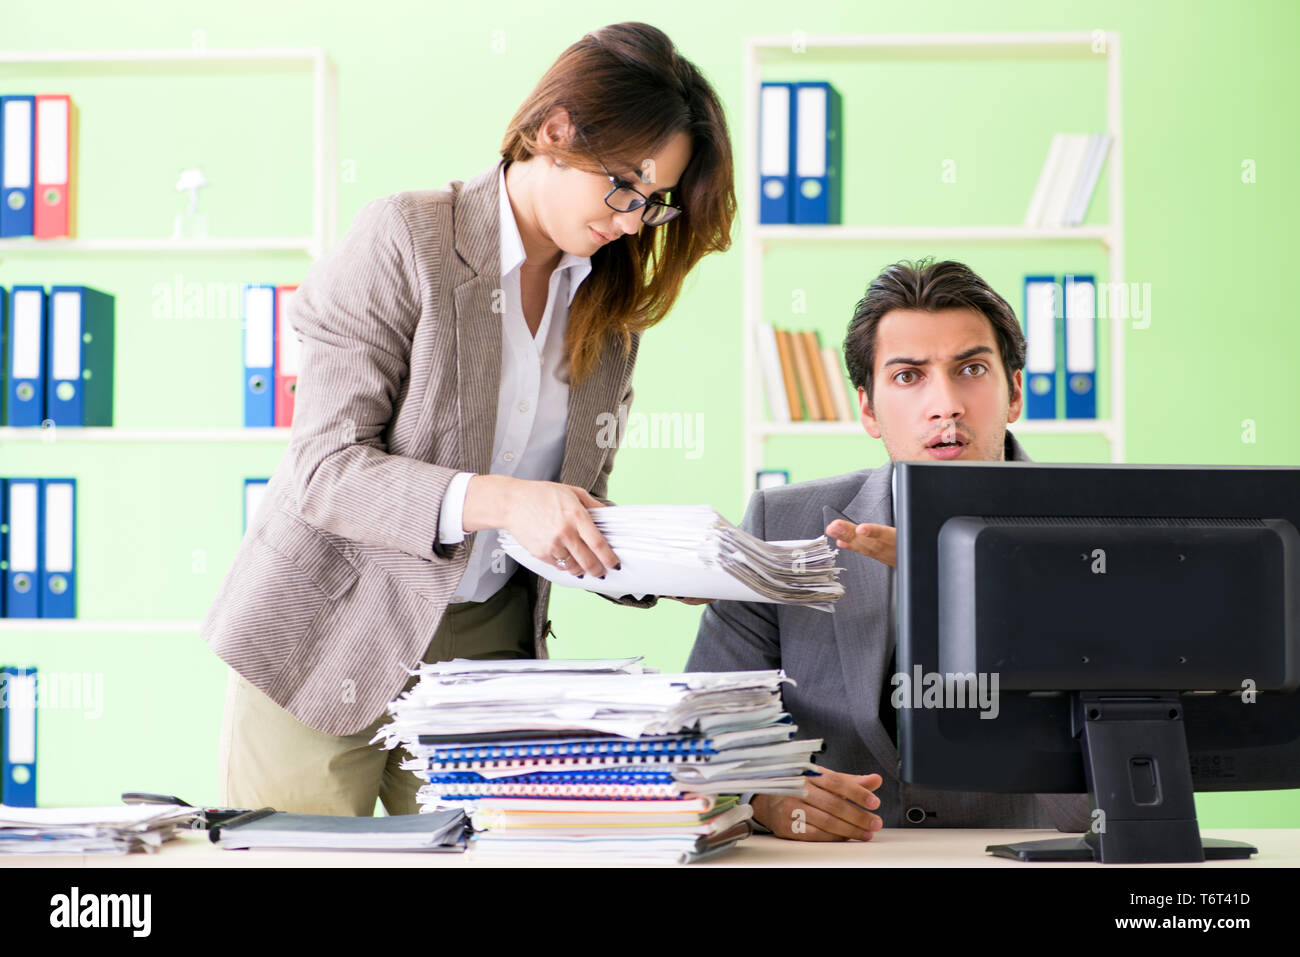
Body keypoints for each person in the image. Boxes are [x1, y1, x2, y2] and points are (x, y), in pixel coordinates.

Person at [203, 22, 735, 816]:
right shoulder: (407, 239)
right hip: (328, 631)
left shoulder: (609, 313)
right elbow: (326, 470)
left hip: (488, 655)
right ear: (555, 132)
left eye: (652, 204)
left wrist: (675, 563)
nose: (632, 221)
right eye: (626, 187)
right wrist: (503, 498)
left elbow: (561, 508)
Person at [687, 258, 1091, 840]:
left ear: (1015, 394)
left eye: (971, 369)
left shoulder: (1095, 531)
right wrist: (759, 798)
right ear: (869, 409)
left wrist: (978, 578)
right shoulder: (784, 525)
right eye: (908, 376)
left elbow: (1130, 759)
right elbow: (702, 731)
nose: (945, 403)